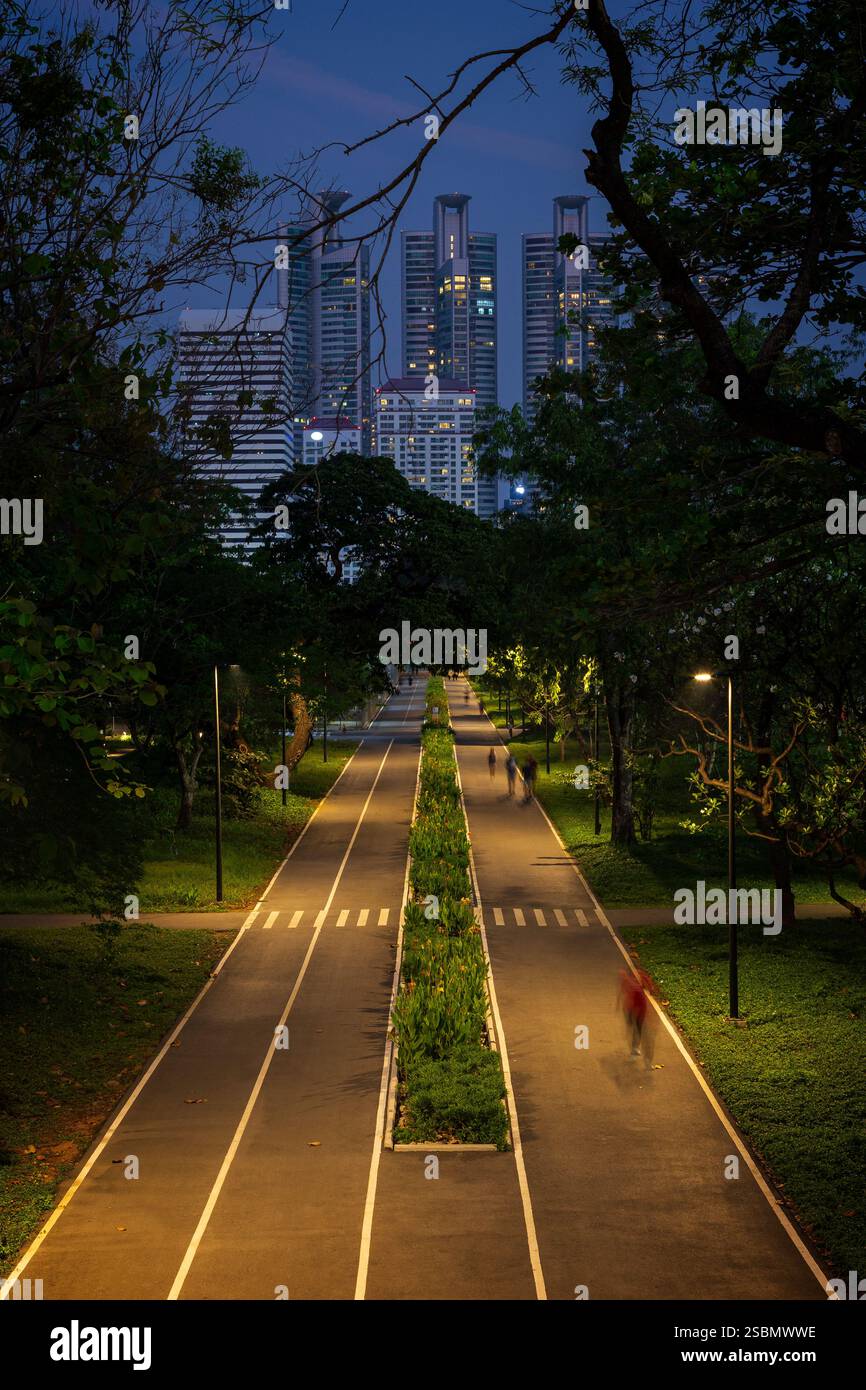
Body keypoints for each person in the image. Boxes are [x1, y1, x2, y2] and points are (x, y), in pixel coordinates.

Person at [617, 968, 656, 1066]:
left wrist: (651, 988)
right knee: (632, 1027)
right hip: (630, 1009)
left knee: (638, 1030)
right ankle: (636, 1049)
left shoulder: (639, 977)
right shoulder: (627, 980)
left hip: (639, 1010)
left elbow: (649, 985)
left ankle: (636, 1050)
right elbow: (622, 992)